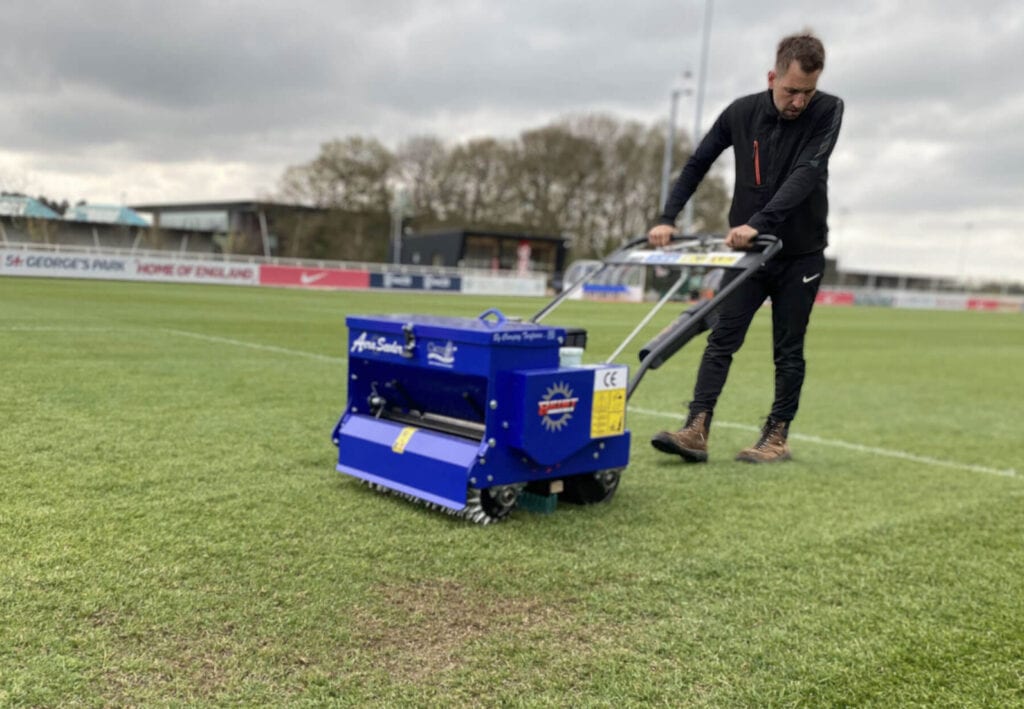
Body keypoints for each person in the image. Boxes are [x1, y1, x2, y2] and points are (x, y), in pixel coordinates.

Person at [648, 31, 844, 464]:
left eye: (808, 92)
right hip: (749, 254)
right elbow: (698, 163)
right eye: (791, 90)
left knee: (787, 348)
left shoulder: (829, 110)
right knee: (722, 337)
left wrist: (758, 224)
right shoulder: (741, 112)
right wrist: (667, 217)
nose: (799, 102)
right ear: (772, 77)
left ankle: (776, 436)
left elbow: (807, 173)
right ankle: (696, 429)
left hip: (800, 254)